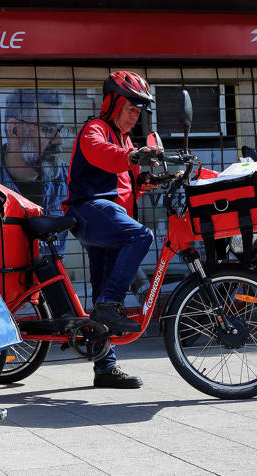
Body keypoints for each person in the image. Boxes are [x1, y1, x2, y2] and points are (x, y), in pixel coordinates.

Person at [63, 71, 162, 389]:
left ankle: (105, 368)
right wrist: (132, 156)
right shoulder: (96, 129)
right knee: (141, 235)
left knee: (103, 289)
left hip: (107, 219)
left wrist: (147, 180)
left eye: (139, 111)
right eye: (131, 108)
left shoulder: (126, 139)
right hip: (88, 211)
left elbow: (124, 180)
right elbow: (99, 154)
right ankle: (110, 306)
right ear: (114, 103)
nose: (135, 116)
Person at [0, 88, 72, 254]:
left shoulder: (69, 178)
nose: (59, 140)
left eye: (60, 129)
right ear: (15, 130)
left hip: (52, 278)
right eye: (48, 129)